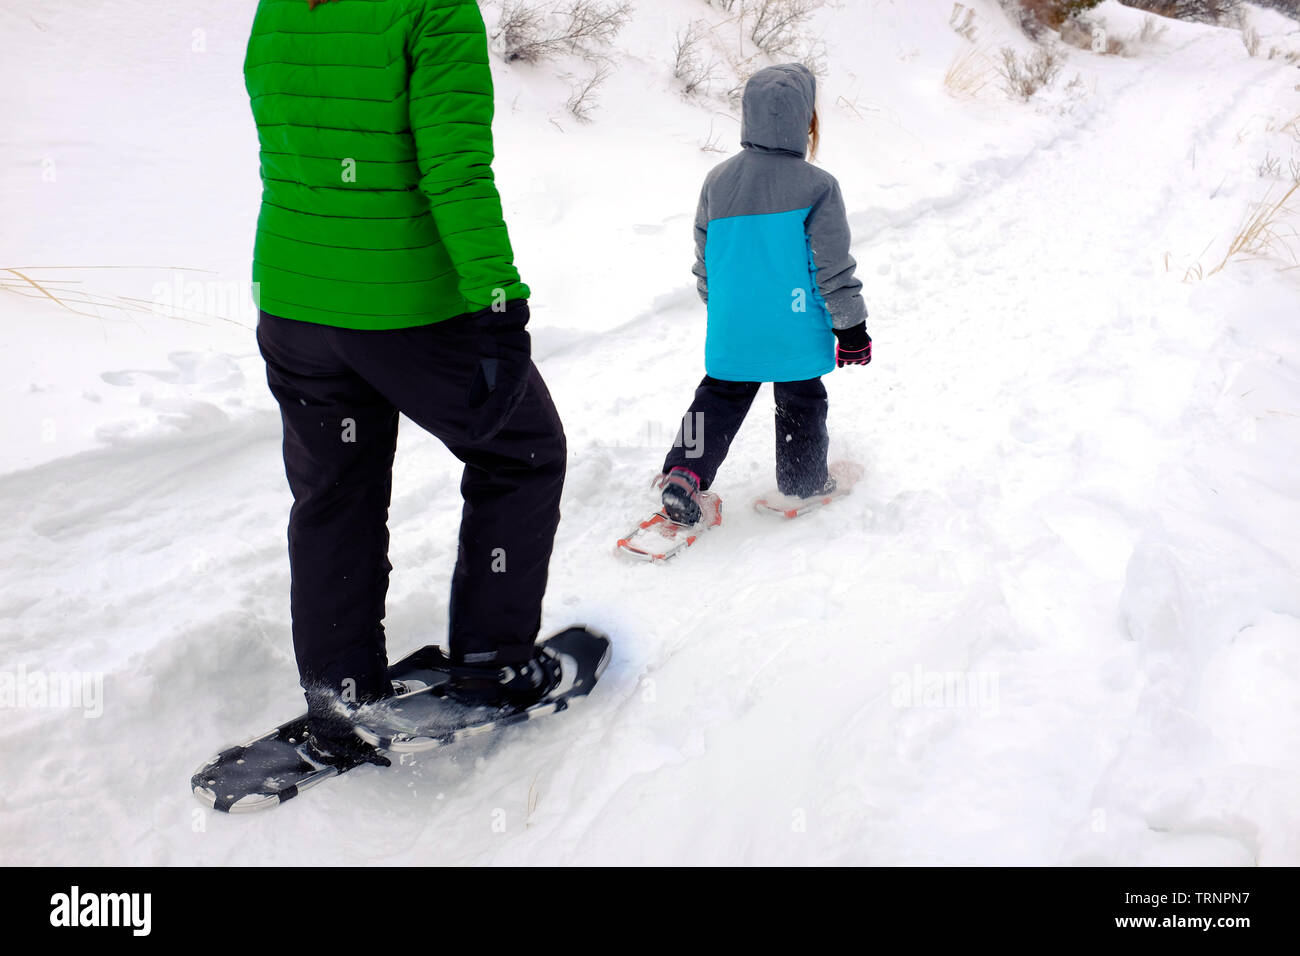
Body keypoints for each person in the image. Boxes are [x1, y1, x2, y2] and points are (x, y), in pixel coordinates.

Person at [244, 0, 566, 767]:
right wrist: (498, 299)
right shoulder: (434, 8)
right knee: (522, 451)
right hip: (406, 307)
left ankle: (340, 697)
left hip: (295, 300)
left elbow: (285, 131)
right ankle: (493, 665)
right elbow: (454, 167)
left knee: (333, 496)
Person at [657, 63, 871, 525]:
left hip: (734, 324)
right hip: (793, 325)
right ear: (805, 120)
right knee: (801, 397)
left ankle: (683, 473)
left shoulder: (717, 180)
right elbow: (831, 265)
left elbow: (705, 257)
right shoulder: (818, 185)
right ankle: (803, 481)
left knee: (716, 397)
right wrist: (852, 329)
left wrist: (724, 308)